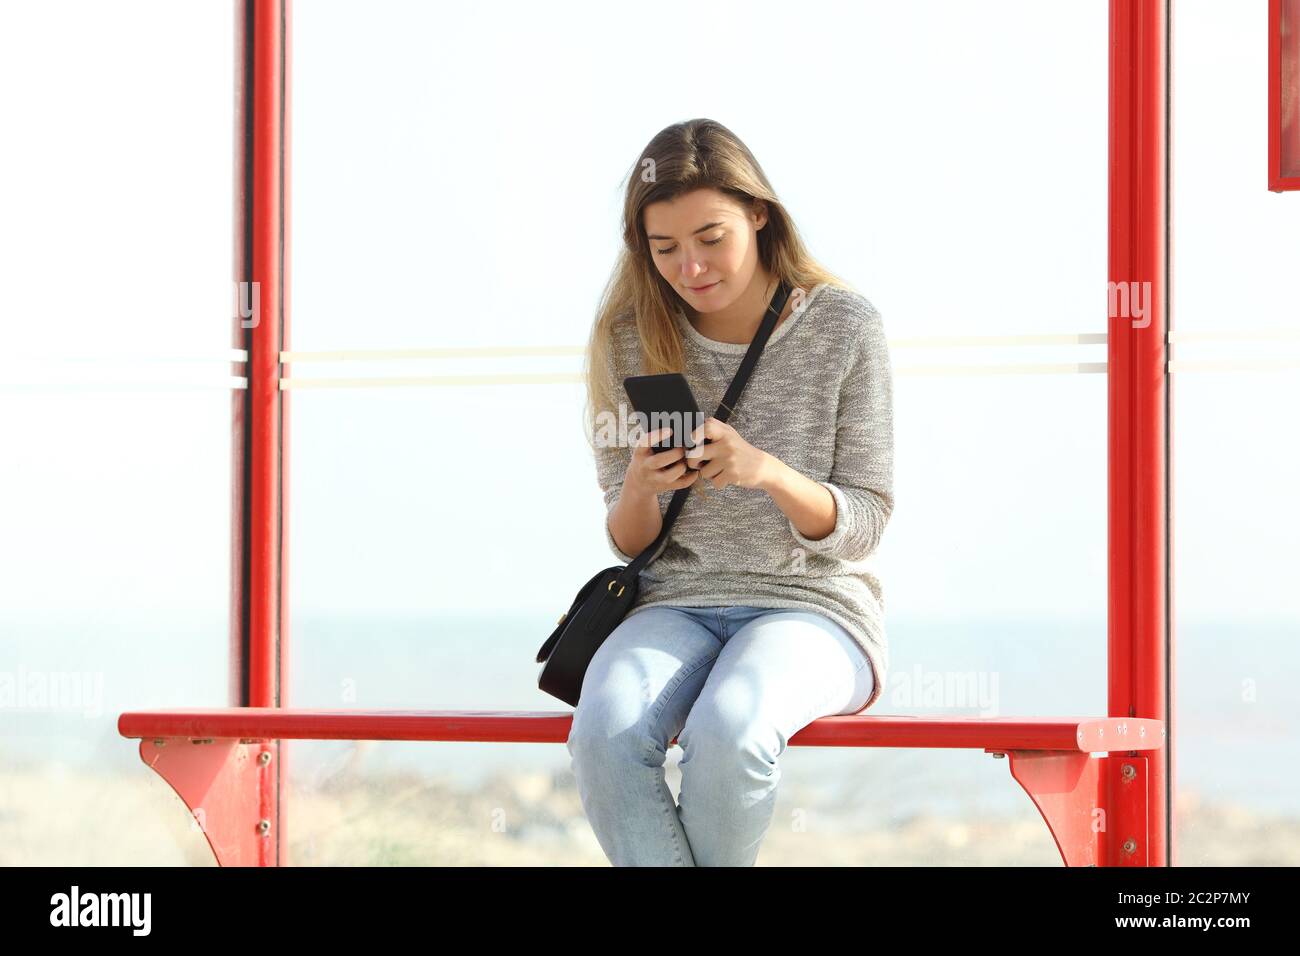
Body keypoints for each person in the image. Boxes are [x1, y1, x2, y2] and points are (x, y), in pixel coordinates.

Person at [567, 118, 895, 866]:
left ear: (759, 214)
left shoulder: (845, 327)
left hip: (813, 606)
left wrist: (768, 472)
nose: (691, 266)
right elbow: (627, 539)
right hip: (674, 600)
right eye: (665, 248)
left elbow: (867, 521)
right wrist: (644, 486)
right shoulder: (630, 335)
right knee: (602, 734)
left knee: (734, 730)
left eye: (710, 237)